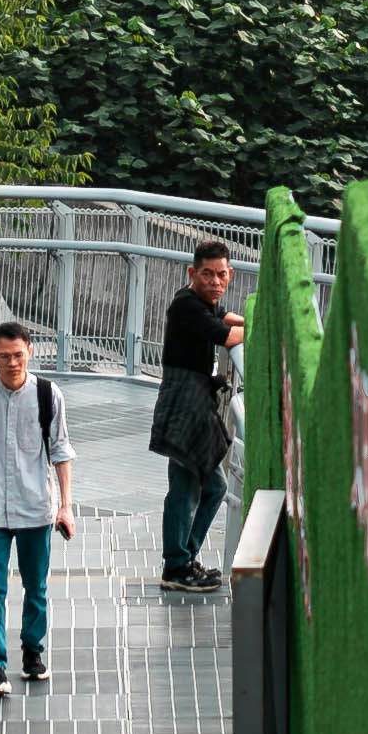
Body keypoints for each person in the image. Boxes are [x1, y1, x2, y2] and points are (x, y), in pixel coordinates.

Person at [0, 321, 76, 689]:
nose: (12, 363)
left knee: (36, 586)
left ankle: (33, 650)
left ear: (30, 351)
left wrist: (66, 506)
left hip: (35, 509)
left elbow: (60, 451)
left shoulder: (47, 394)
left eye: (18, 355)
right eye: (3, 357)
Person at [152, 241, 245, 593]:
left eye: (222, 275)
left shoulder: (198, 301)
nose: (215, 281)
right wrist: (262, 326)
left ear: (230, 275)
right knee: (185, 486)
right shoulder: (186, 305)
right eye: (207, 274)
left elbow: (223, 317)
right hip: (184, 402)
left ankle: (183, 561)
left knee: (209, 485)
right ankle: (177, 565)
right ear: (193, 273)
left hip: (192, 401)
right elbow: (228, 334)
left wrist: (247, 317)